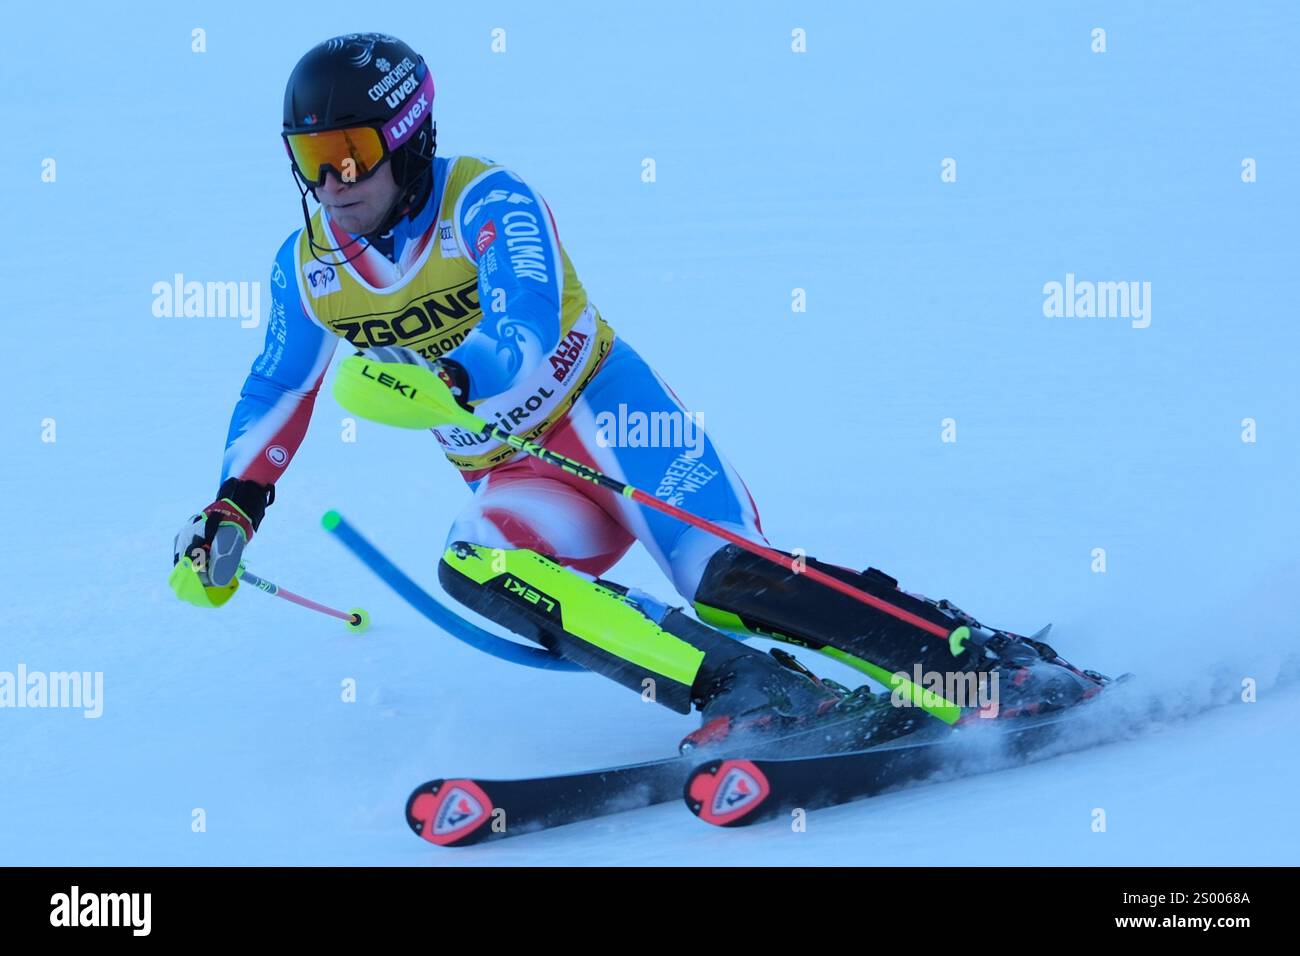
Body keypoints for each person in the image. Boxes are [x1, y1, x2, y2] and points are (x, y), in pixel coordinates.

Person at [171, 33, 1106, 753]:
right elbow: (278, 385)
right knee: (475, 563)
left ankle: (974, 664)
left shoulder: (486, 200)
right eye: (311, 159)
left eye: (352, 152)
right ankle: (759, 695)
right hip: (521, 475)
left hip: (614, 423)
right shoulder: (309, 269)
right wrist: (232, 510)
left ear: (408, 139)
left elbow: (526, 322)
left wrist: (457, 375)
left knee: (727, 579)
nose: (333, 184)